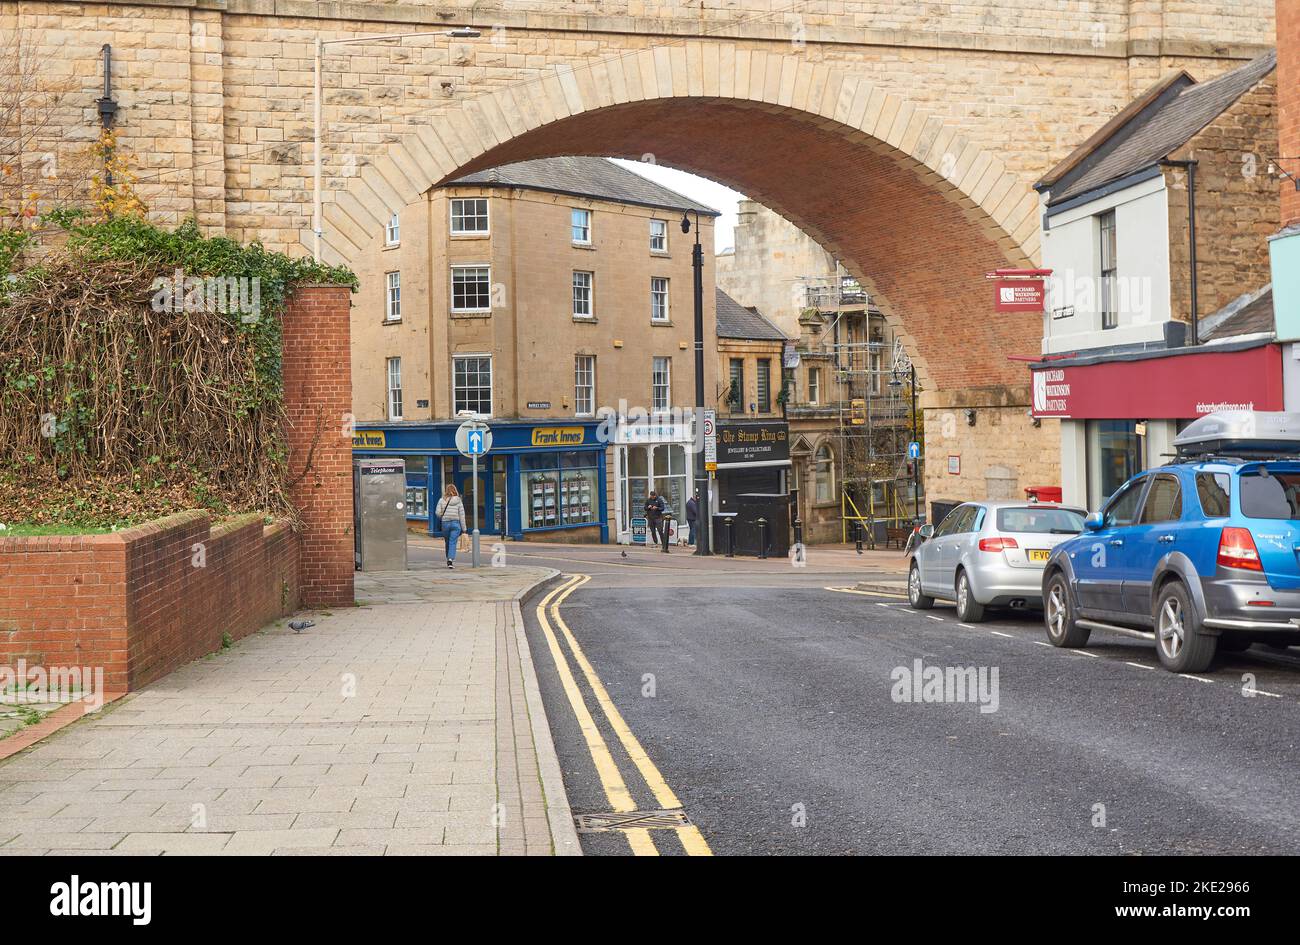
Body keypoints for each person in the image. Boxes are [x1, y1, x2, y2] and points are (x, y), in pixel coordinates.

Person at [435, 484, 467, 569]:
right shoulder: (458, 501)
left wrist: (442, 516)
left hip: (445, 523)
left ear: (446, 490)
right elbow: (462, 515)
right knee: (453, 542)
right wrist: (464, 529)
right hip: (456, 524)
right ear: (455, 490)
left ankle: (448, 559)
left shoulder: (442, 500)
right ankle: (450, 559)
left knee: (447, 541)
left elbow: (437, 513)